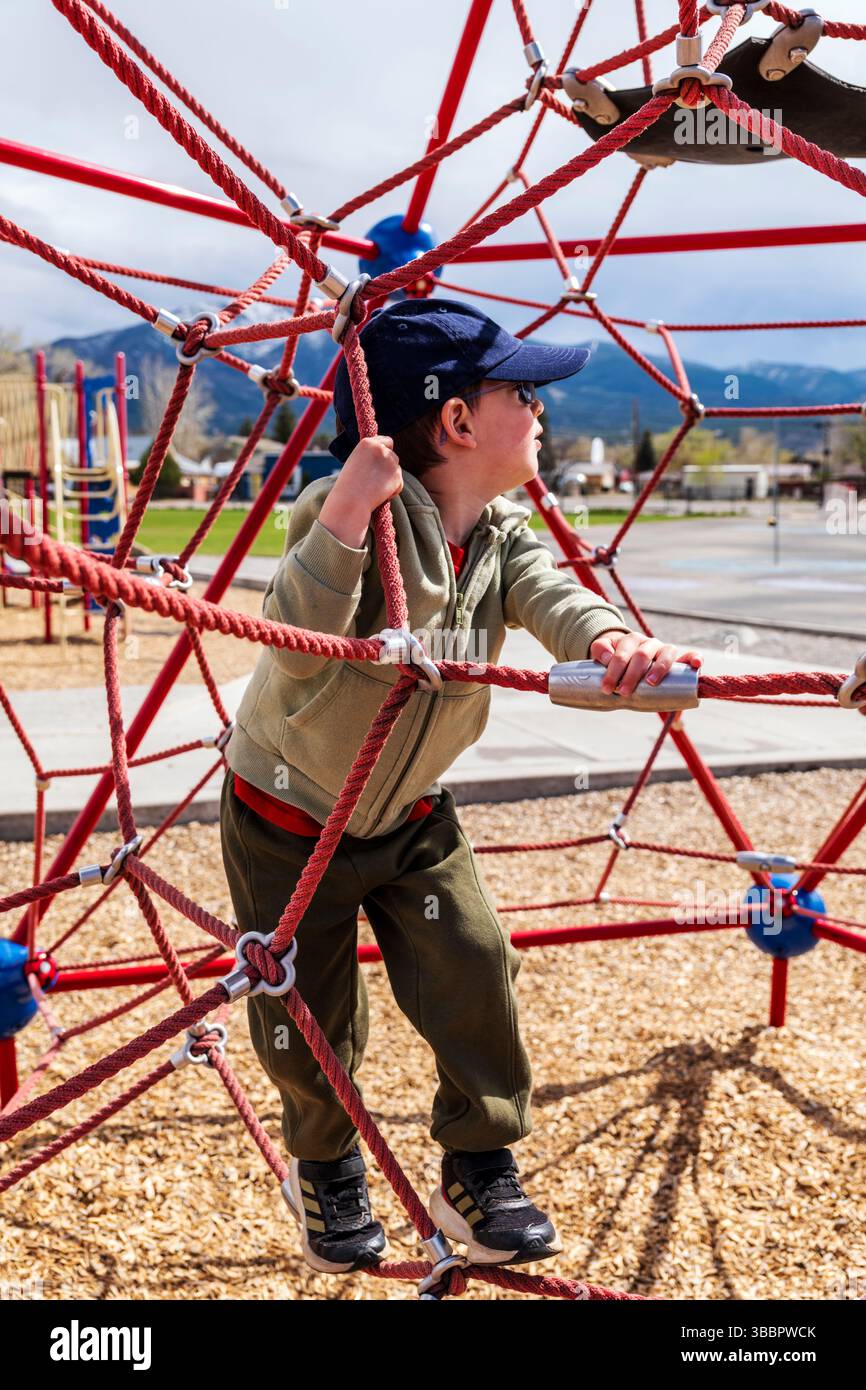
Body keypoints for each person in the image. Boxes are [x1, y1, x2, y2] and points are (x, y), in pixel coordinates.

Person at [219, 297, 701, 1274]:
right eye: (522, 393)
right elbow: (299, 647)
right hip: (286, 816)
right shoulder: (341, 514)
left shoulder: (505, 533)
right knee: (300, 1015)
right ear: (455, 422)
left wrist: (612, 647)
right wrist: (348, 511)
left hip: (409, 814)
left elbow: (559, 603)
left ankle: (476, 1162)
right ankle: (322, 1163)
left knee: (475, 964)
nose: (541, 411)